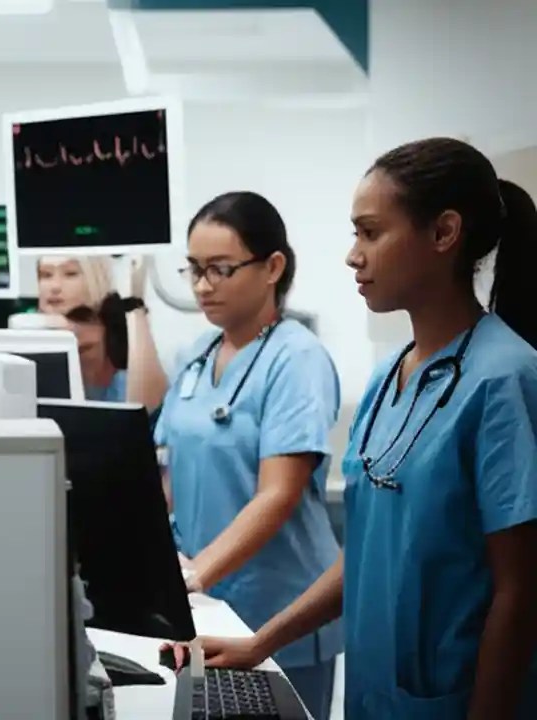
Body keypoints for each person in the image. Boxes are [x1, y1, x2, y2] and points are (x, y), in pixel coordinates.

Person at [182, 139, 537, 719]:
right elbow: (363, 554)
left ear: (444, 233)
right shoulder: (386, 380)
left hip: (454, 700)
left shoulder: (504, 379)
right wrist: (262, 643)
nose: (353, 255)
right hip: (376, 695)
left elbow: (519, 590)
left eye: (370, 233)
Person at [154, 191, 342, 719]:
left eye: (220, 269)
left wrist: (195, 574)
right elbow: (173, 469)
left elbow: (278, 493)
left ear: (272, 267)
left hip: (279, 609)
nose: (202, 286)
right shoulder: (197, 355)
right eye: (194, 269)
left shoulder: (297, 359)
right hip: (205, 604)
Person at [38, 255, 167, 408]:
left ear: (96, 277)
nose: (55, 286)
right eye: (45, 275)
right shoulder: (30, 339)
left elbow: (146, 411)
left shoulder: (130, 347)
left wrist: (134, 304)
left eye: (70, 274)